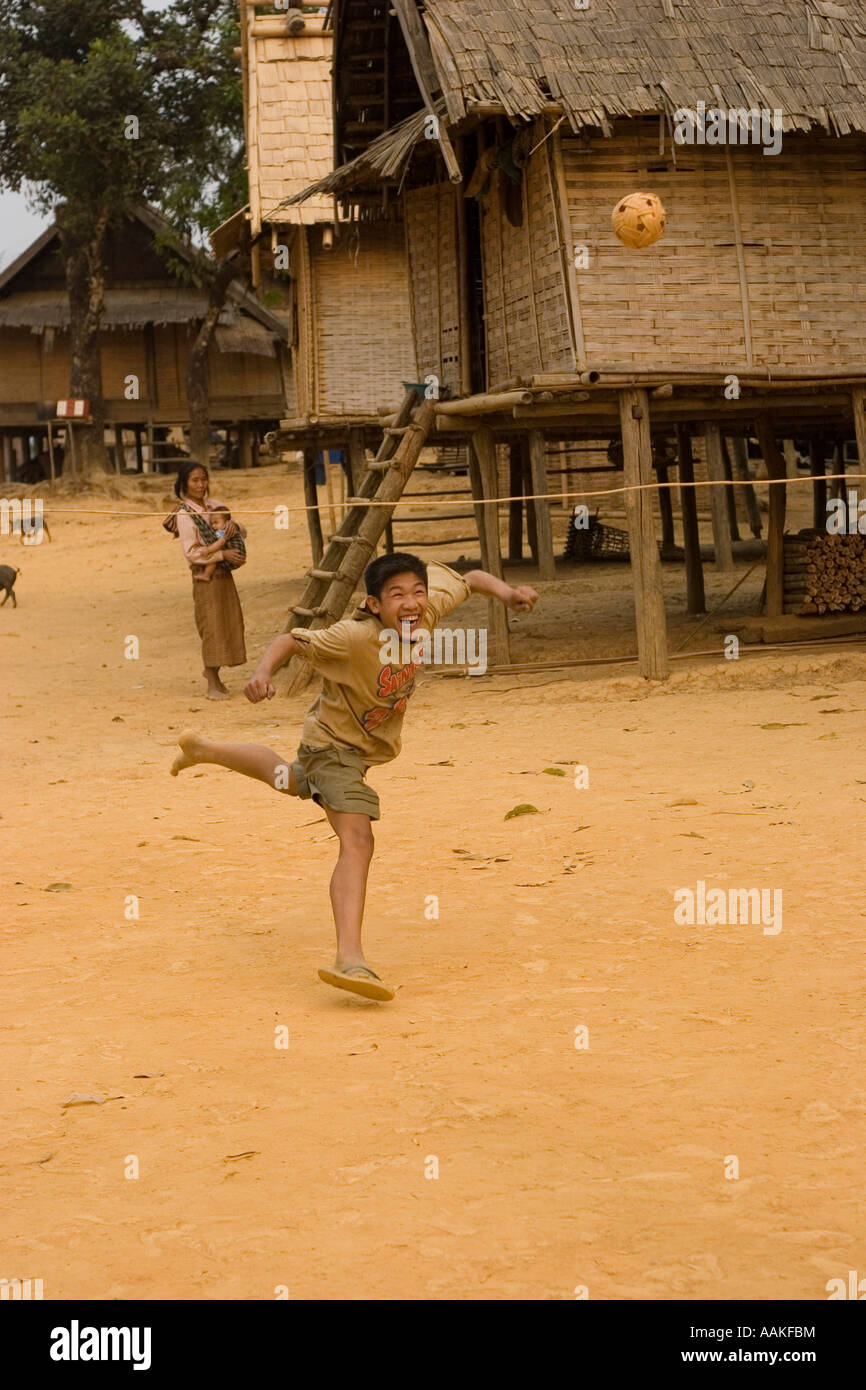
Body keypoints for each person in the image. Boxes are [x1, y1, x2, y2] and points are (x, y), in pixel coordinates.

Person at [171, 552, 538, 1001]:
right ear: (373, 604)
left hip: (352, 748)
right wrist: (262, 673)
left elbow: (472, 577)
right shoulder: (353, 636)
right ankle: (350, 957)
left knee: (288, 778)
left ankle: (204, 749)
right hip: (334, 749)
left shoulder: (424, 612)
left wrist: (509, 594)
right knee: (358, 839)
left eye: (418, 592)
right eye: (397, 594)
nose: (411, 602)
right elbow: (291, 639)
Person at [170, 461, 247, 699]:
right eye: (195, 480)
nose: (201, 485)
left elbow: (240, 531)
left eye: (203, 479)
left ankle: (216, 676)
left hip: (224, 576)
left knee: (227, 623)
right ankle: (212, 682)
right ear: (184, 483)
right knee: (211, 626)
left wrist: (235, 526)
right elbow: (191, 551)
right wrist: (221, 553)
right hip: (205, 578)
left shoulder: (215, 507)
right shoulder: (185, 514)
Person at [194, 506, 247, 582]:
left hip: (234, 556)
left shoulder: (223, 530)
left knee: (213, 557)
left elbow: (220, 543)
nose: (213, 526)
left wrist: (208, 550)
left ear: (226, 522)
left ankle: (206, 575)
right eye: (212, 523)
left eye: (216, 522)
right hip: (239, 554)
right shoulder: (230, 528)